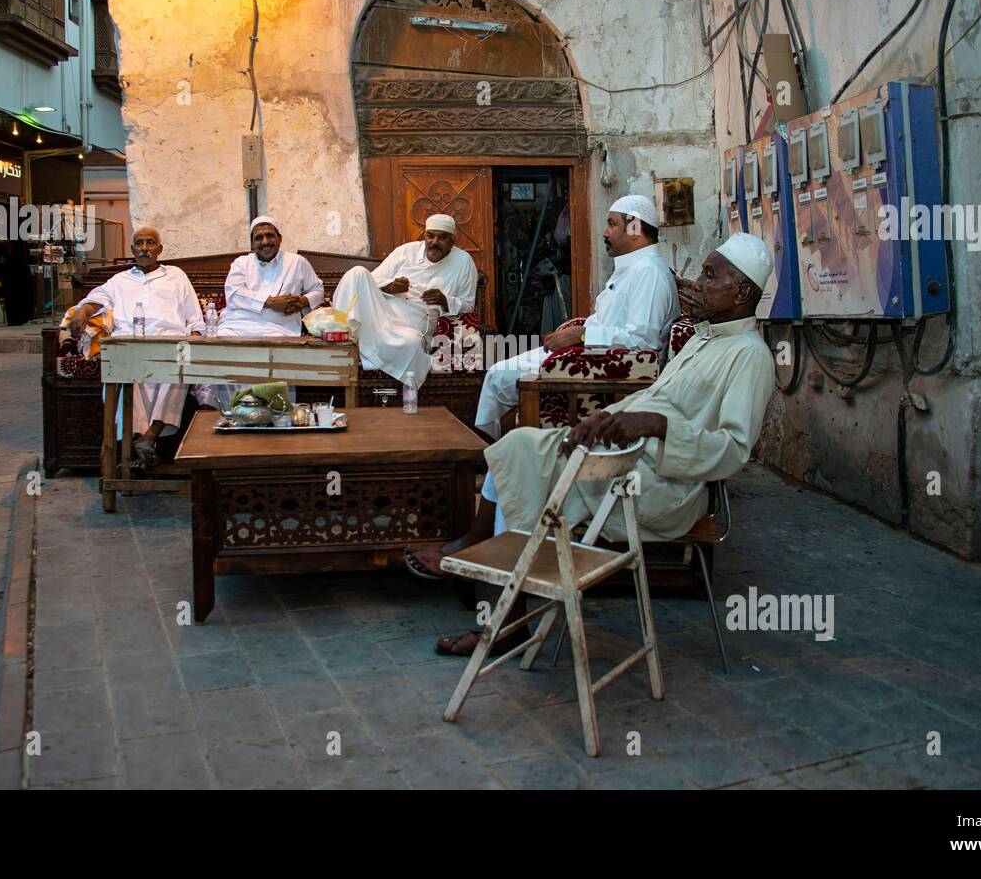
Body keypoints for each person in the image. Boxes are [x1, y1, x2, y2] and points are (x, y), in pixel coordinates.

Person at [413, 232, 776, 655]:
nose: (698, 284)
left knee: (543, 470)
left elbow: (732, 449)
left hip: (670, 483)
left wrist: (657, 426)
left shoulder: (750, 356)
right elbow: (654, 397)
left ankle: (504, 615)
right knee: (519, 445)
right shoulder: (704, 338)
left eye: (711, 277)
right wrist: (606, 417)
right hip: (635, 459)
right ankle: (485, 568)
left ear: (744, 292)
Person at [474, 194, 680, 439]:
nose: (605, 232)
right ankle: (504, 459)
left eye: (612, 224)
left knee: (498, 377)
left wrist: (581, 334)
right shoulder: (634, 269)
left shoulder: (649, 273)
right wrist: (576, 334)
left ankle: (497, 460)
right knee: (498, 374)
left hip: (604, 370)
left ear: (635, 228)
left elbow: (642, 341)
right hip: (592, 356)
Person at [66, 226, 204, 470]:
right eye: (139, 243)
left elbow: (194, 316)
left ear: (159, 249)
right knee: (119, 373)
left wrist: (194, 336)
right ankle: (142, 444)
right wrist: (82, 312)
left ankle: (147, 438)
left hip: (169, 344)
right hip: (129, 345)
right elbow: (96, 299)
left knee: (181, 370)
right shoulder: (120, 280)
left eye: (150, 243)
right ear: (132, 250)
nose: (144, 248)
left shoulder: (175, 276)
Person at [331, 213, 477, 388]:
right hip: (383, 315)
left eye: (442, 238)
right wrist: (389, 286)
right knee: (357, 273)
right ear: (424, 236)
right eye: (430, 236)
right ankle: (341, 336)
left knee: (412, 345)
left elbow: (468, 305)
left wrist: (445, 301)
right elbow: (371, 280)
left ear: (453, 241)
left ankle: (367, 352)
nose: (435, 242)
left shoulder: (464, 261)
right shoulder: (405, 251)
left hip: (412, 326)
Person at [194, 216, 324, 410]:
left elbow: (318, 289)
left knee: (274, 354)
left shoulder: (297, 262)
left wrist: (302, 302)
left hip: (278, 327)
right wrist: (270, 301)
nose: (265, 242)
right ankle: (219, 411)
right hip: (236, 325)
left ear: (280, 238)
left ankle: (270, 413)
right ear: (252, 243)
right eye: (259, 237)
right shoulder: (241, 263)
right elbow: (234, 293)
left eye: (270, 236)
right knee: (217, 349)